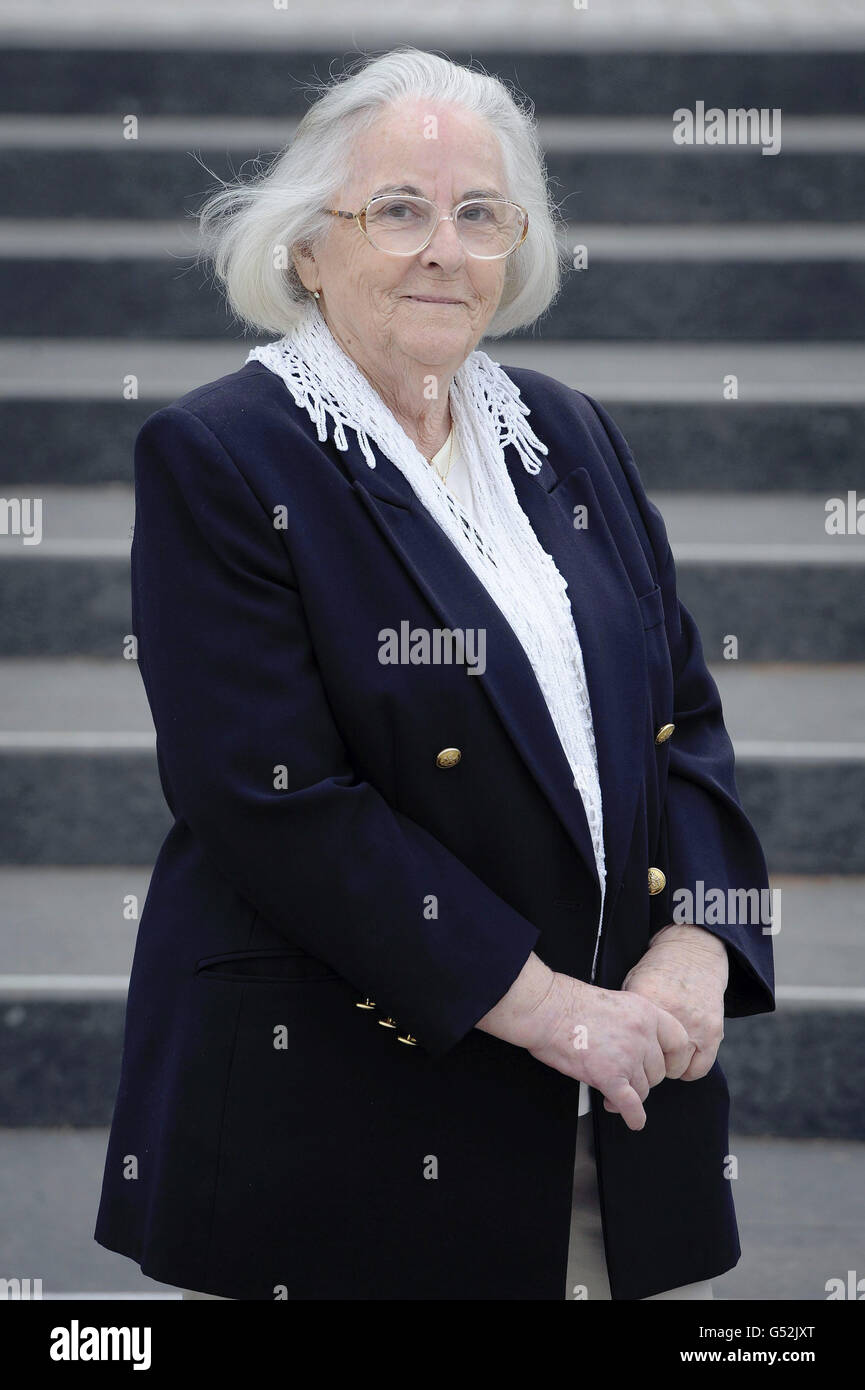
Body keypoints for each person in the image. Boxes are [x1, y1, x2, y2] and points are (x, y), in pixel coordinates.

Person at [94, 46, 774, 1301]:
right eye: (397, 210)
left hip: (612, 1094)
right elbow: (272, 798)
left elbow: (681, 719)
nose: (442, 248)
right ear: (305, 248)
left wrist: (702, 941)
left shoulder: (565, 431)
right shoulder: (223, 454)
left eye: (478, 214)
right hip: (353, 1103)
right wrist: (543, 1006)